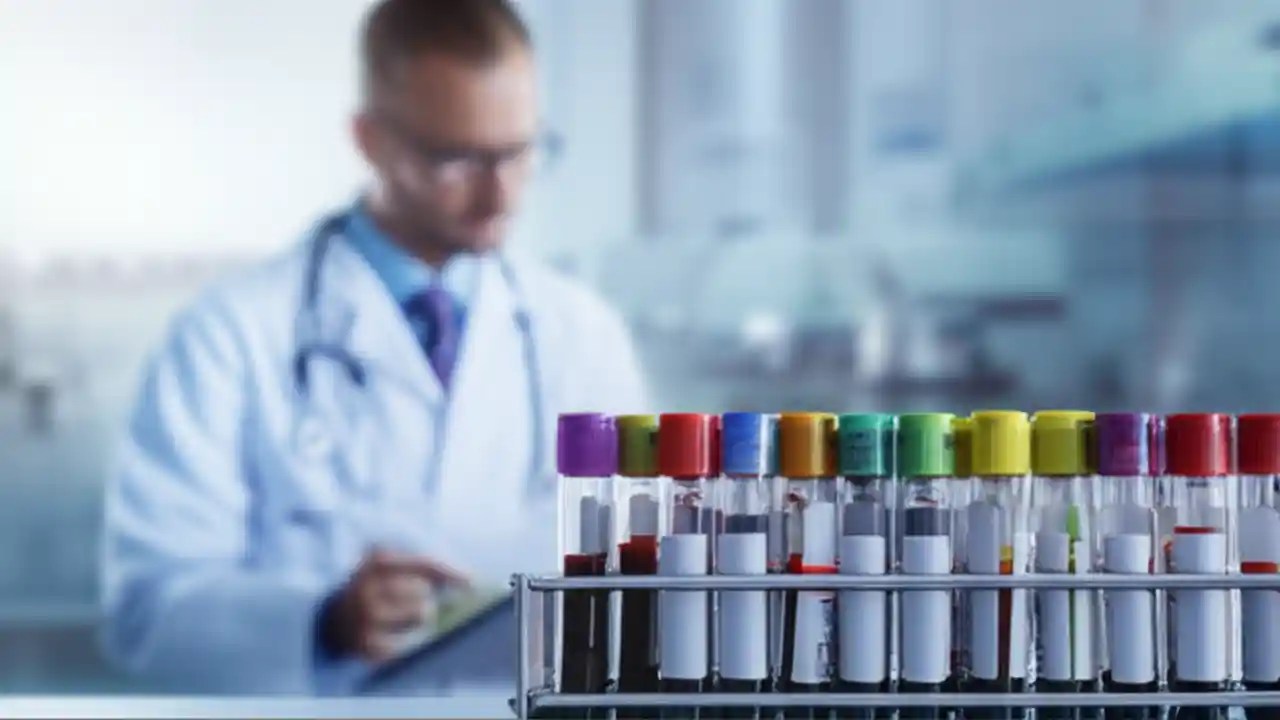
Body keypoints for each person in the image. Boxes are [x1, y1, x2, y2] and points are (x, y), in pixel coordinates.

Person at [100, 0, 647, 694]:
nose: (500, 192)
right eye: (458, 159)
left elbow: (634, 586)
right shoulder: (230, 335)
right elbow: (146, 615)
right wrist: (323, 621)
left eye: (520, 151)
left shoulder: (580, 332)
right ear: (370, 140)